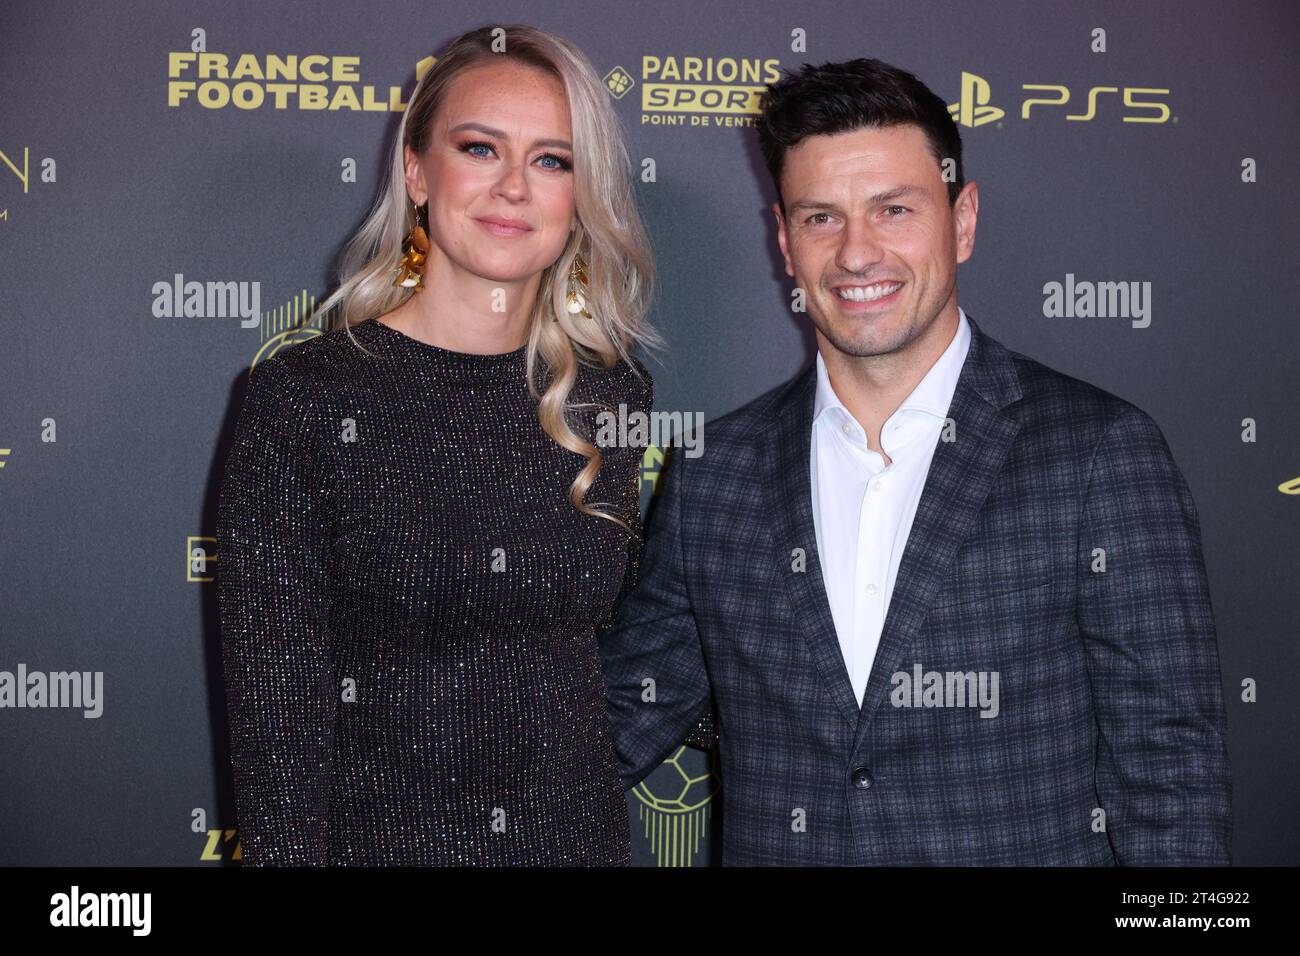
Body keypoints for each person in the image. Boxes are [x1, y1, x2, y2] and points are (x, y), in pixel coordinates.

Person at [598, 58, 1233, 865]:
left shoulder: (1097, 452)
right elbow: (613, 722)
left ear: (962, 221)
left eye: (894, 209)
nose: (858, 253)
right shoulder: (714, 475)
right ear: (784, 241)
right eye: (821, 217)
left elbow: (1170, 773)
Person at [217, 24, 661, 865]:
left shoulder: (611, 396)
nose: (514, 188)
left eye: (552, 160)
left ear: (581, 193)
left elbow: (634, 651)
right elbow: (277, 714)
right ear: (418, 171)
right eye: (480, 148)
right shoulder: (305, 398)